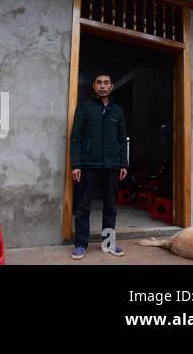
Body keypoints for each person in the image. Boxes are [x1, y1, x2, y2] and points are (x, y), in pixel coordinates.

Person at [69, 72, 128, 260]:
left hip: (112, 166)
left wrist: (123, 164)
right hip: (88, 164)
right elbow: (76, 137)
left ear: (111, 87)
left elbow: (122, 138)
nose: (103, 86)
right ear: (94, 86)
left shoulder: (117, 111)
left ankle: (108, 243)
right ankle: (80, 244)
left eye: (106, 83)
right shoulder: (85, 108)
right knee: (83, 205)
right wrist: (76, 164)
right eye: (99, 83)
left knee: (110, 206)